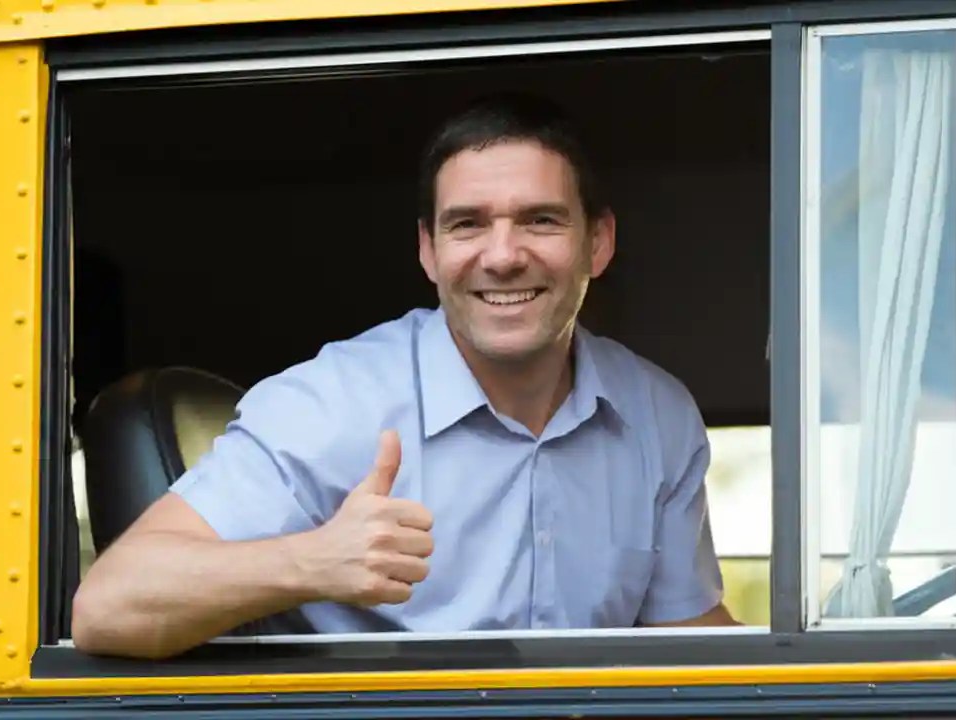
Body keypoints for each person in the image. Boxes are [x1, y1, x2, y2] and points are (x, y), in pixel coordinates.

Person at [71, 92, 738, 660]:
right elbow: (107, 607)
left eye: (540, 220)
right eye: (468, 224)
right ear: (429, 250)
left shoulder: (657, 413)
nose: (503, 256)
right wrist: (315, 562)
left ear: (598, 242)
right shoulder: (330, 405)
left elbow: (686, 637)